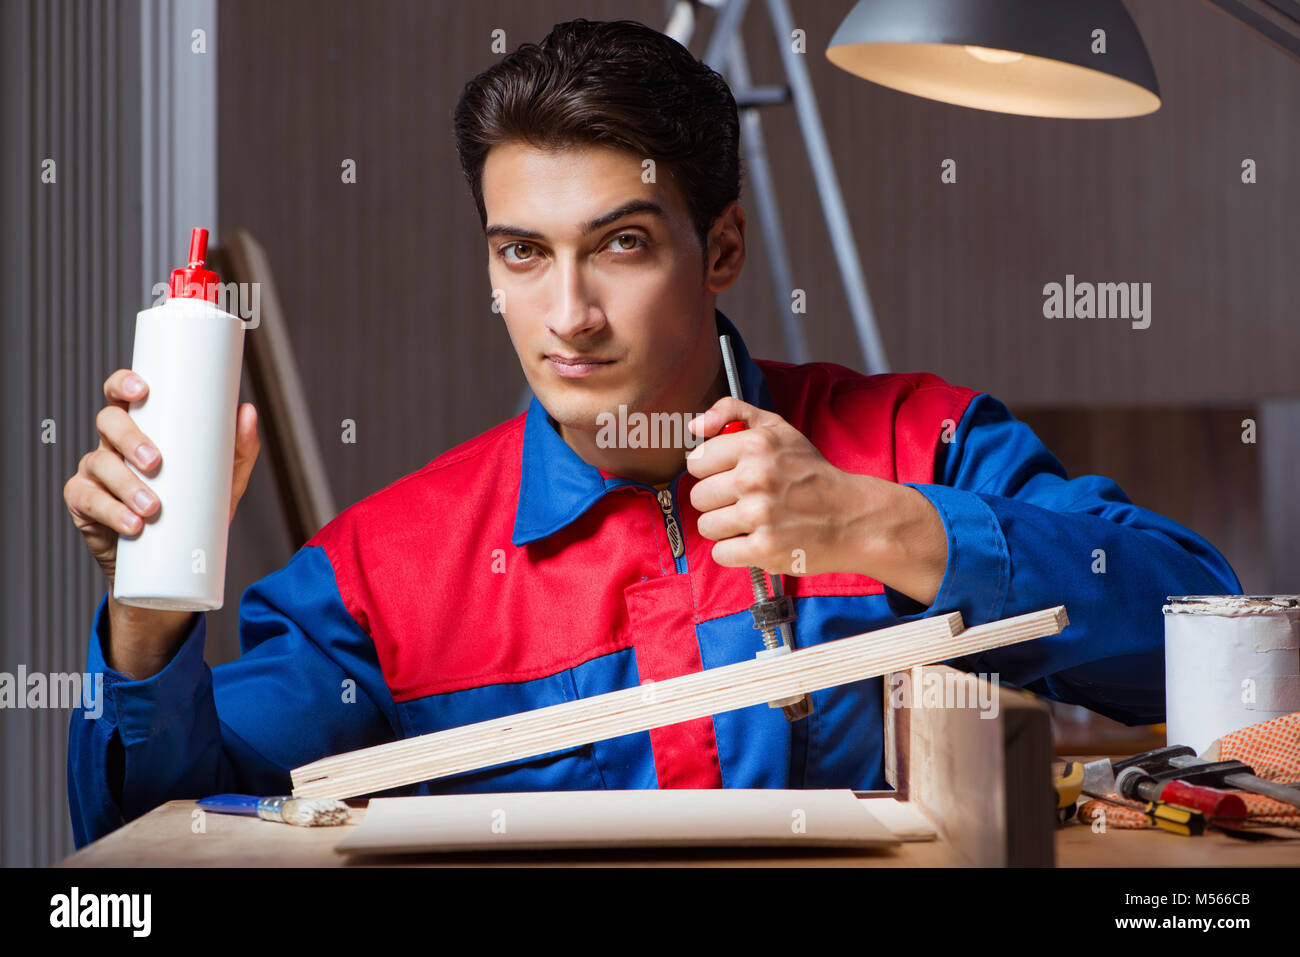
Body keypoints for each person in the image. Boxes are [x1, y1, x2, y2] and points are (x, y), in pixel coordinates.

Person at [63, 18, 1241, 847]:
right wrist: (149, 626)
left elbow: (1204, 670)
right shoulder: (387, 576)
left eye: (621, 244)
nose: (566, 314)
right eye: (522, 253)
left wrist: (891, 528)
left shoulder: (914, 446)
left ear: (720, 249)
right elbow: (154, 849)